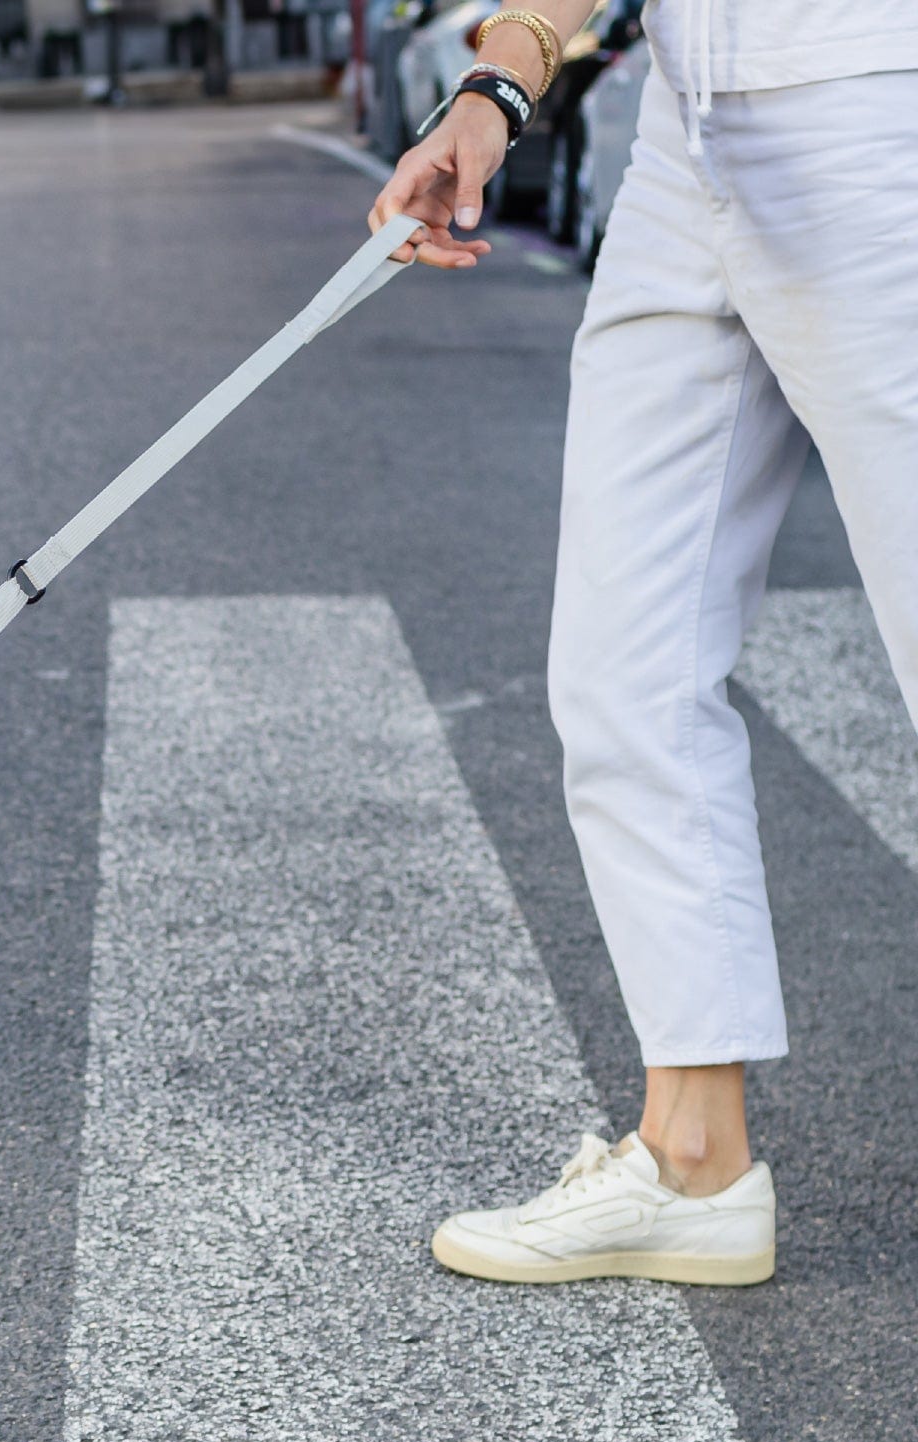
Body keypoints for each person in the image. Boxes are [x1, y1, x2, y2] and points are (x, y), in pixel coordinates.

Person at [371, 3, 918, 1286]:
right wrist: (493, 90)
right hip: (688, 125)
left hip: (870, 102)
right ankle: (691, 1162)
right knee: (625, 664)